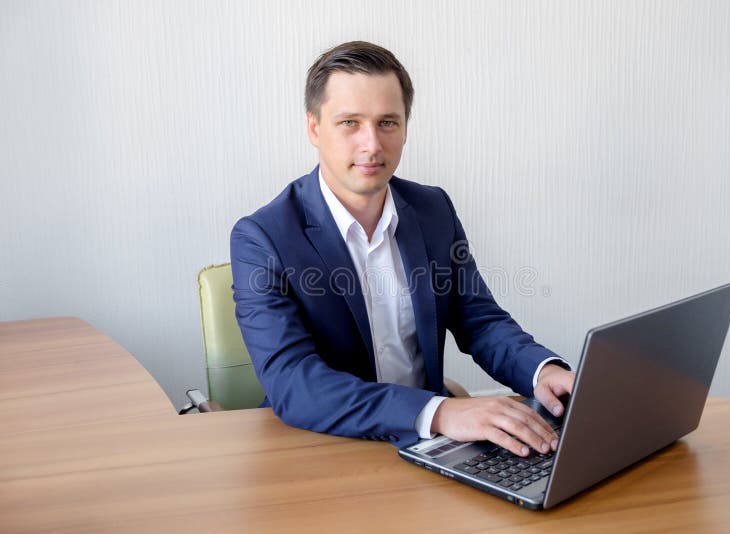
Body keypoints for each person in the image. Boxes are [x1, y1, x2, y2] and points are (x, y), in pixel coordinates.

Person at [231, 41, 575, 457]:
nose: (372, 144)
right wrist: (441, 412)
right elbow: (294, 382)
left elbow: (478, 319)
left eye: (387, 122)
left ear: (406, 127)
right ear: (314, 128)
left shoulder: (433, 210)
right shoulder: (261, 237)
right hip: (324, 447)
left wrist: (541, 371)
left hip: (427, 447)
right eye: (350, 123)